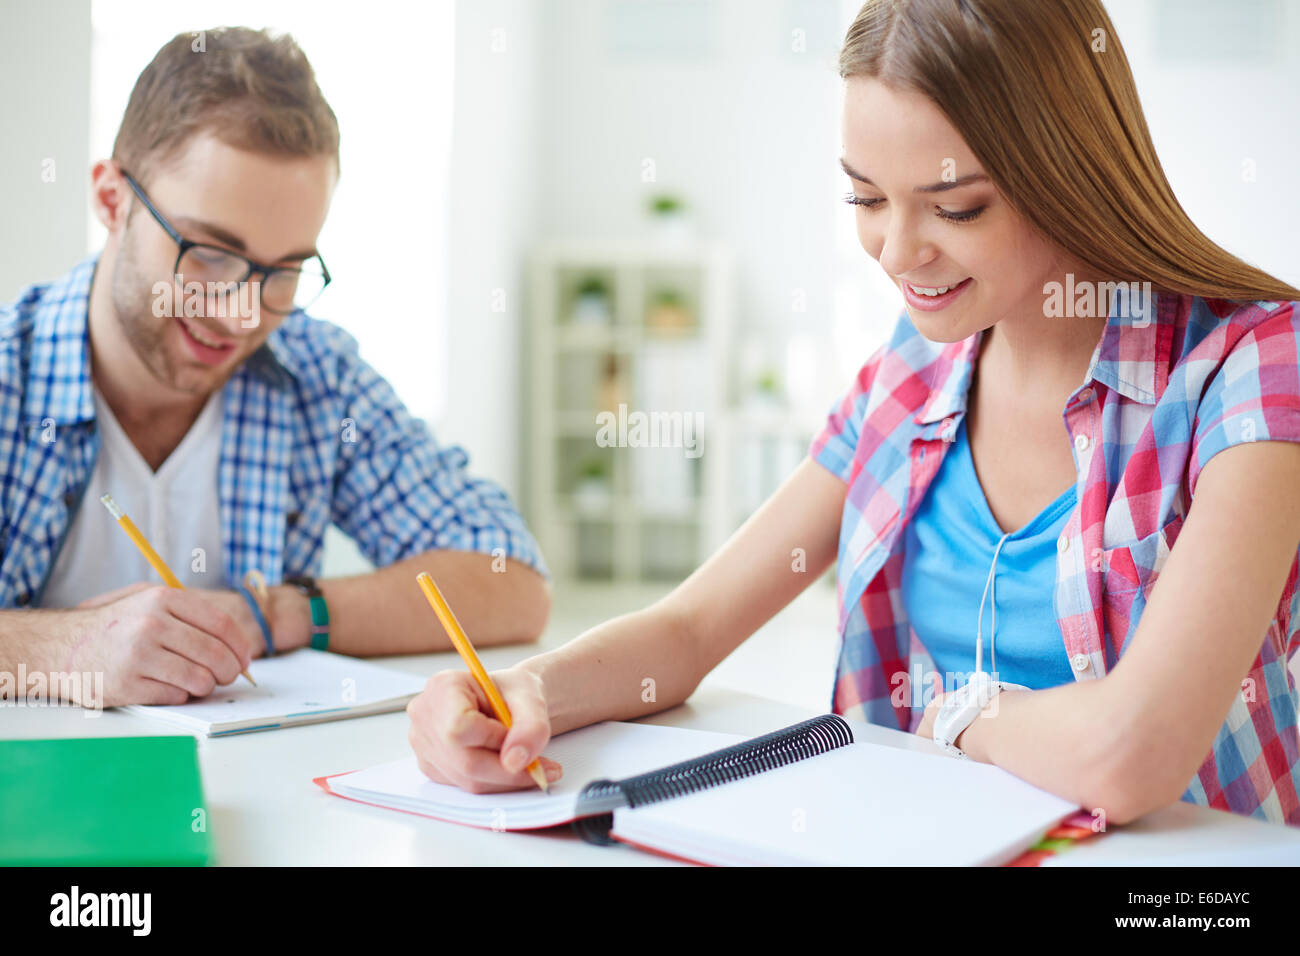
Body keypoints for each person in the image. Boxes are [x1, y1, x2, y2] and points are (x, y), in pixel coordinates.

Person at [406, 0, 1300, 827]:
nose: (897, 251)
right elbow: (687, 632)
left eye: (955, 206)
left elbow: (1130, 754)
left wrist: (963, 715)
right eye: (866, 198)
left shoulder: (1250, 369)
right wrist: (527, 690)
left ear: (1069, 170)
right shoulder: (911, 374)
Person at [0, 28, 549, 708]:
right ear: (113, 201)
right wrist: (69, 652)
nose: (240, 313)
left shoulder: (317, 376)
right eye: (208, 251)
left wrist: (273, 614)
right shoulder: (9, 377)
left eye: (284, 269)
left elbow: (513, 581)